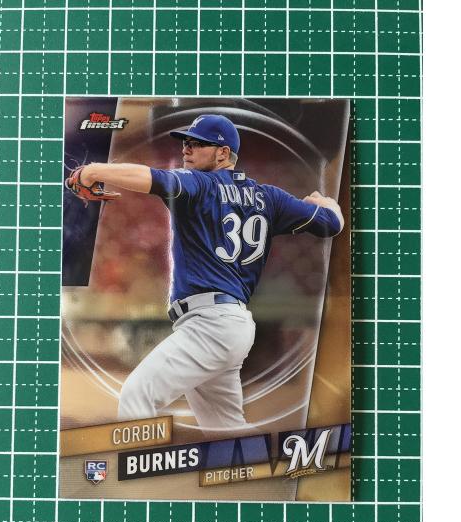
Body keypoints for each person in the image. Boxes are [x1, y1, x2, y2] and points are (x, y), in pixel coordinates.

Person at [72, 114, 344, 432]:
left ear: (223, 153)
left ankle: (133, 467)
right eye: (186, 142)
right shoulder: (269, 197)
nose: (186, 149)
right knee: (227, 429)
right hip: (229, 324)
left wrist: (92, 171)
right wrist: (328, 204)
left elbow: (151, 178)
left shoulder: (199, 184)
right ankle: (279, 460)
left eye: (198, 143)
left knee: (137, 394)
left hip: (210, 325)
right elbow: (331, 224)